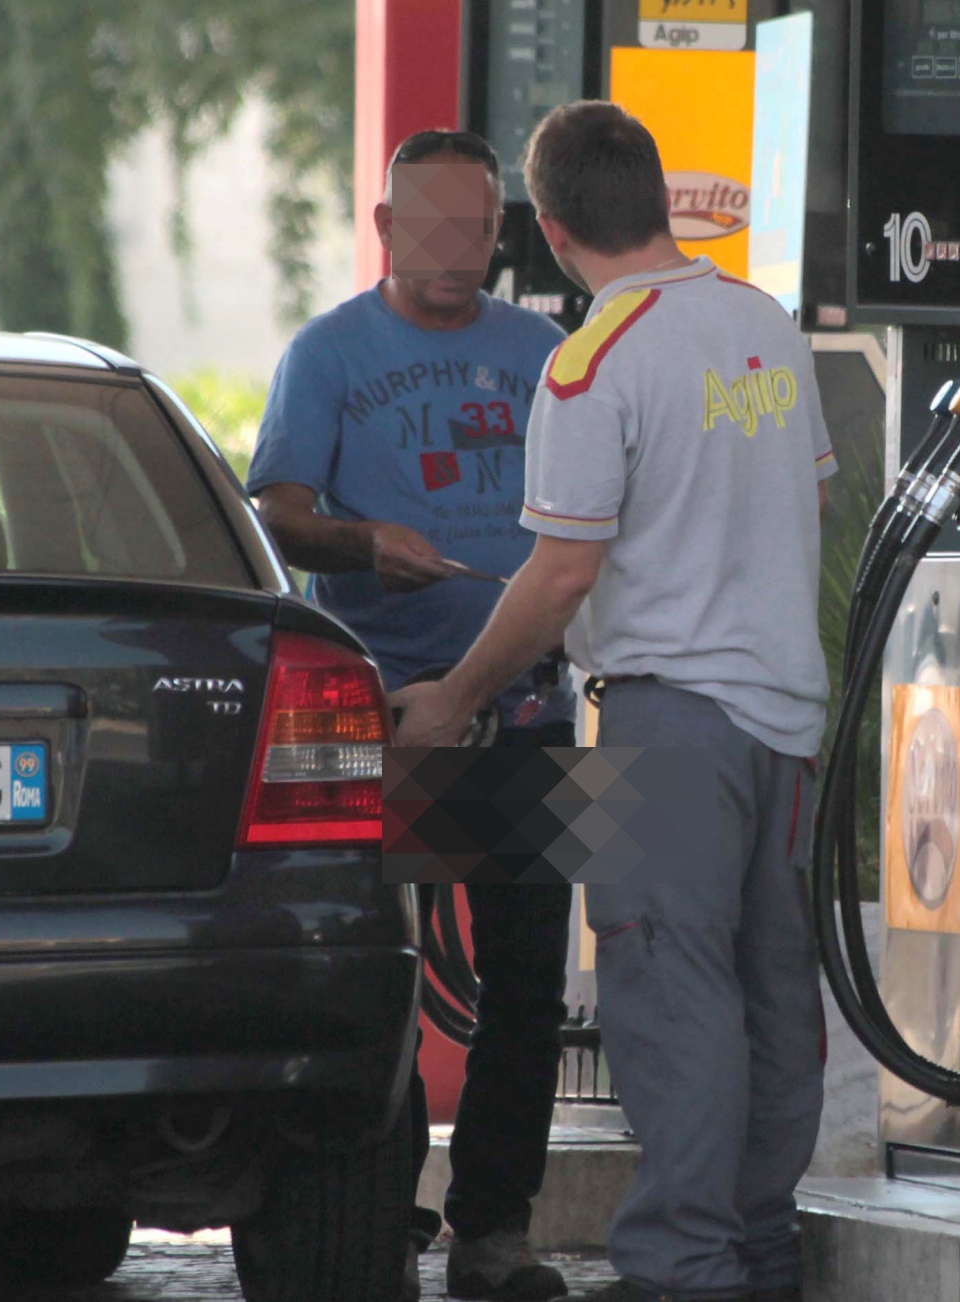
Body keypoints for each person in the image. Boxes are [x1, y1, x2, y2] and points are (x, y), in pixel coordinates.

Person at [391, 100, 835, 1302]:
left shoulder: (591, 365)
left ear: (547, 225)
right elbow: (812, 502)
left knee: (667, 992)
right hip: (786, 720)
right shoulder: (763, 327)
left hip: (665, 720)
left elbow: (561, 574)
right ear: (656, 197)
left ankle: (684, 1270)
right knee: (767, 994)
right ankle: (758, 1247)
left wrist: (455, 695)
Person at [245, 128, 575, 1302]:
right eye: (427, 227)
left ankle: (495, 1231)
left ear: (500, 232)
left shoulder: (545, 351)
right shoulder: (326, 353)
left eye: (475, 228)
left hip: (522, 708)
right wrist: (363, 542)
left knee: (529, 986)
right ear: (385, 231)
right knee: (368, 977)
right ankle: (371, 1213)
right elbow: (274, 515)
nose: (454, 250)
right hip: (369, 713)